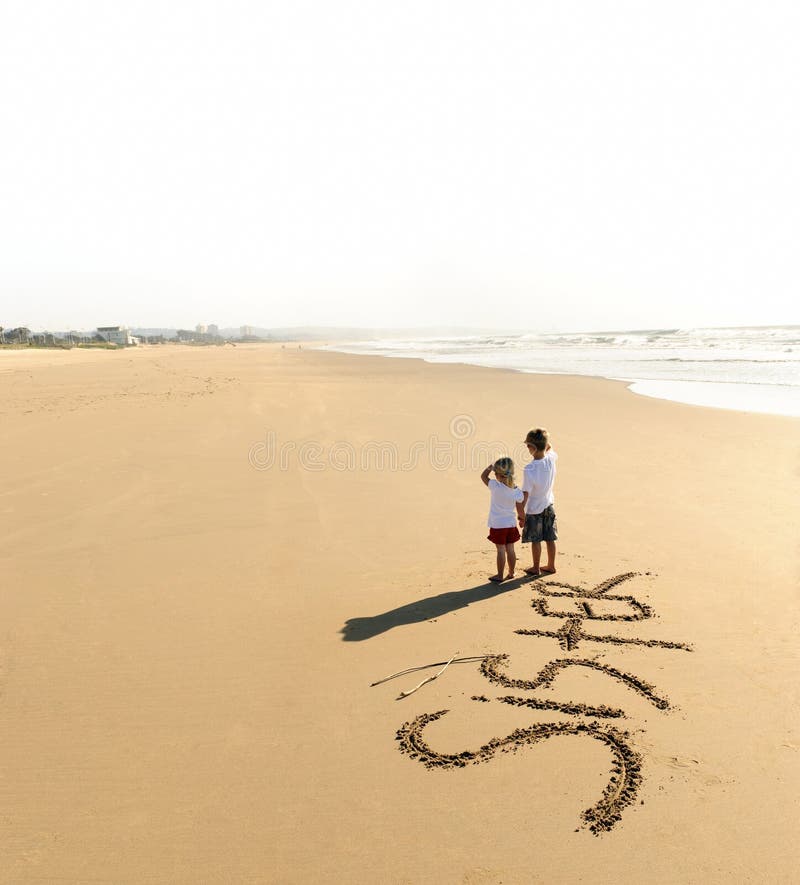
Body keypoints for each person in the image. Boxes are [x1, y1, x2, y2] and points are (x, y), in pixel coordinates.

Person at [517, 428, 558, 577]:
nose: (527, 448)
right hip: (549, 505)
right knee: (550, 538)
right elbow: (550, 448)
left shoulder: (529, 469)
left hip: (535, 509)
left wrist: (521, 512)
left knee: (536, 540)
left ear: (532, 448)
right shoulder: (551, 458)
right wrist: (544, 442)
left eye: (528, 445)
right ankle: (551, 565)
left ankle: (536, 567)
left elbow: (525, 493)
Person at [481, 457, 525, 583]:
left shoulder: (495, 486)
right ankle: (511, 572)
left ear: (499, 475)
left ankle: (500, 575)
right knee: (510, 549)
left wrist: (491, 465)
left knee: (500, 550)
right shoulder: (516, 491)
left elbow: (483, 476)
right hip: (510, 524)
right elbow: (521, 500)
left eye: (495, 473)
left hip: (497, 525)